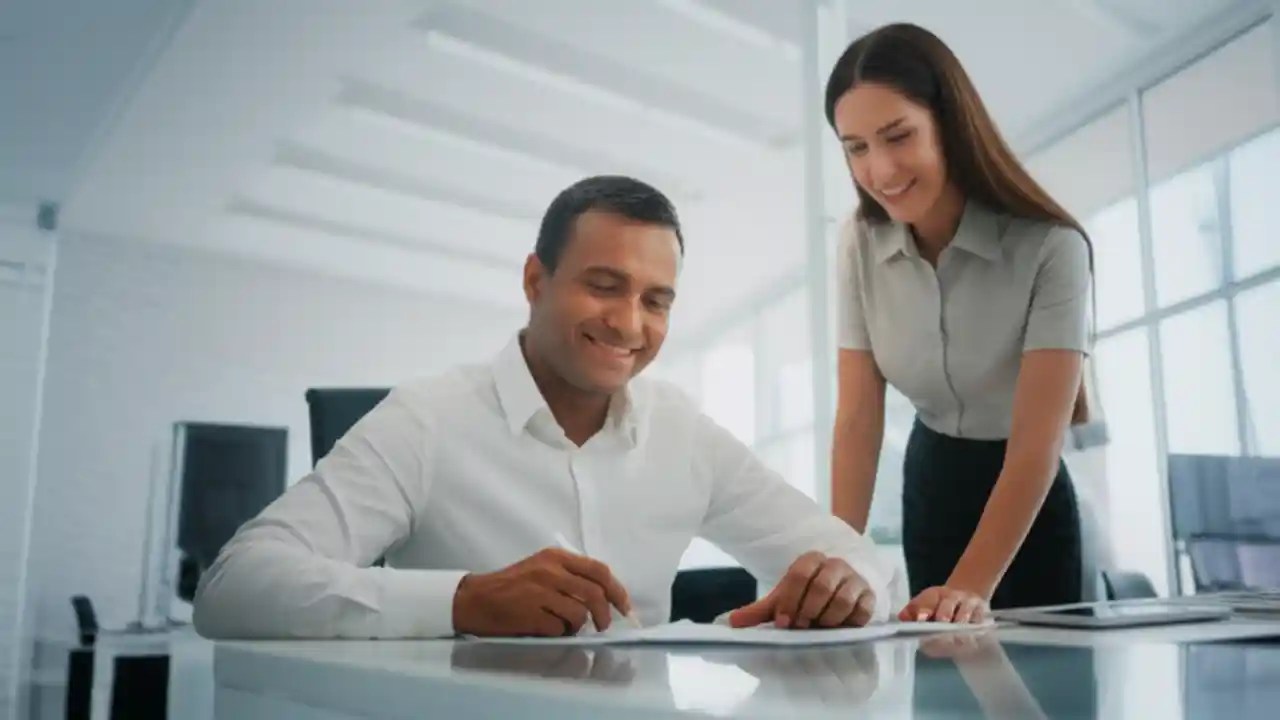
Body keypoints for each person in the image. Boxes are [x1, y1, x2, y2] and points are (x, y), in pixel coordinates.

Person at [194, 175, 897, 639]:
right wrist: (464, 600)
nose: (628, 323)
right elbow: (232, 588)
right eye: (603, 285)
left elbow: (860, 562)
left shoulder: (682, 432)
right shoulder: (428, 420)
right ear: (536, 280)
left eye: (657, 300)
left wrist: (846, 582)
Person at [824, 24, 1093, 623]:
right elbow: (858, 420)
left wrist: (971, 587)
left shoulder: (1052, 248)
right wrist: (839, 559)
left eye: (898, 136)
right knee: (942, 691)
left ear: (950, 124)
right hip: (932, 481)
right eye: (856, 147)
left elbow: (1035, 444)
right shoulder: (860, 244)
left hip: (1028, 499)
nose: (881, 168)